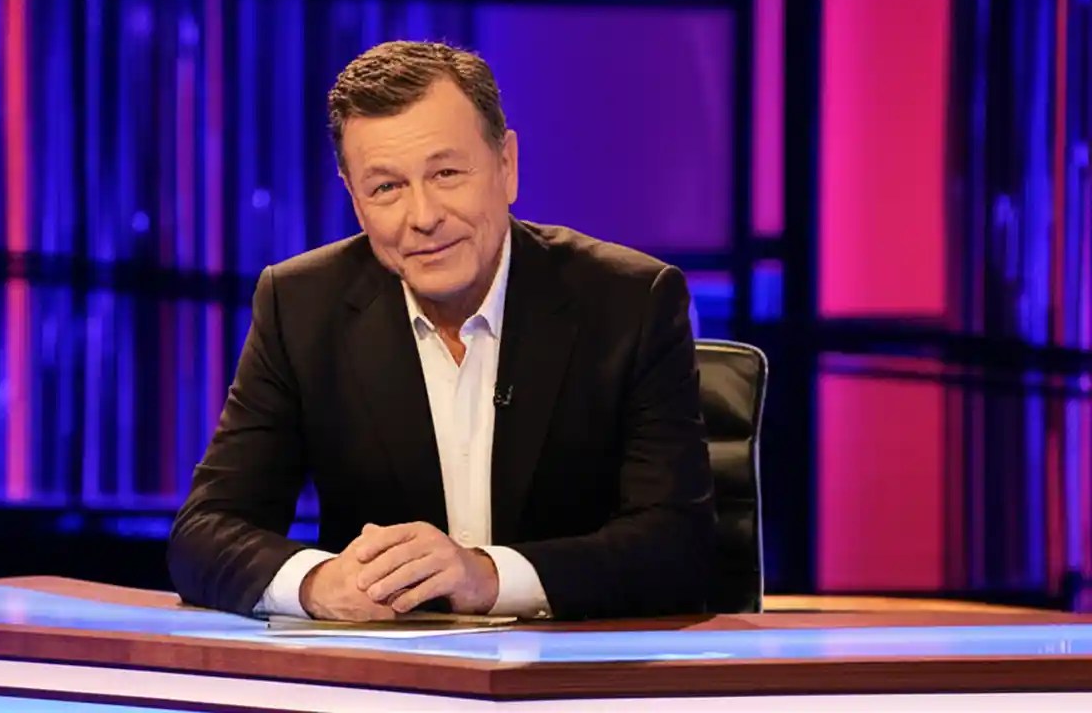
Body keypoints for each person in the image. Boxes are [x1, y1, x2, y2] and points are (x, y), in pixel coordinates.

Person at [168, 40, 714, 621]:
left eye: (447, 172)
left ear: (506, 166)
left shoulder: (628, 301)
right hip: (387, 689)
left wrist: (488, 575)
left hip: (573, 684)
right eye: (386, 188)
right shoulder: (302, 306)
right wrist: (315, 582)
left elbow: (677, 546)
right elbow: (206, 530)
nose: (423, 216)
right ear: (355, 201)